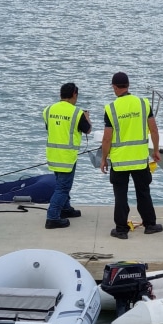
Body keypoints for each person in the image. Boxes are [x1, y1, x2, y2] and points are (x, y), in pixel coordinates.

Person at [100, 71, 162, 239]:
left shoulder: (111, 108)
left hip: (119, 161)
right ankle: (150, 225)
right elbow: (154, 130)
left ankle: (121, 230)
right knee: (143, 192)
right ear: (128, 85)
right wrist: (156, 150)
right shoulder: (143, 103)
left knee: (120, 195)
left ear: (114, 87)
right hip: (140, 159)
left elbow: (107, 138)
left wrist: (104, 159)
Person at [43, 82, 91, 229]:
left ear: (61, 94)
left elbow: (49, 127)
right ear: (74, 95)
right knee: (63, 188)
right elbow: (87, 130)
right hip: (67, 156)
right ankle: (52, 217)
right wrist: (87, 117)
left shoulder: (48, 109)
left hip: (53, 153)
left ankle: (65, 208)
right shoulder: (77, 113)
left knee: (60, 183)